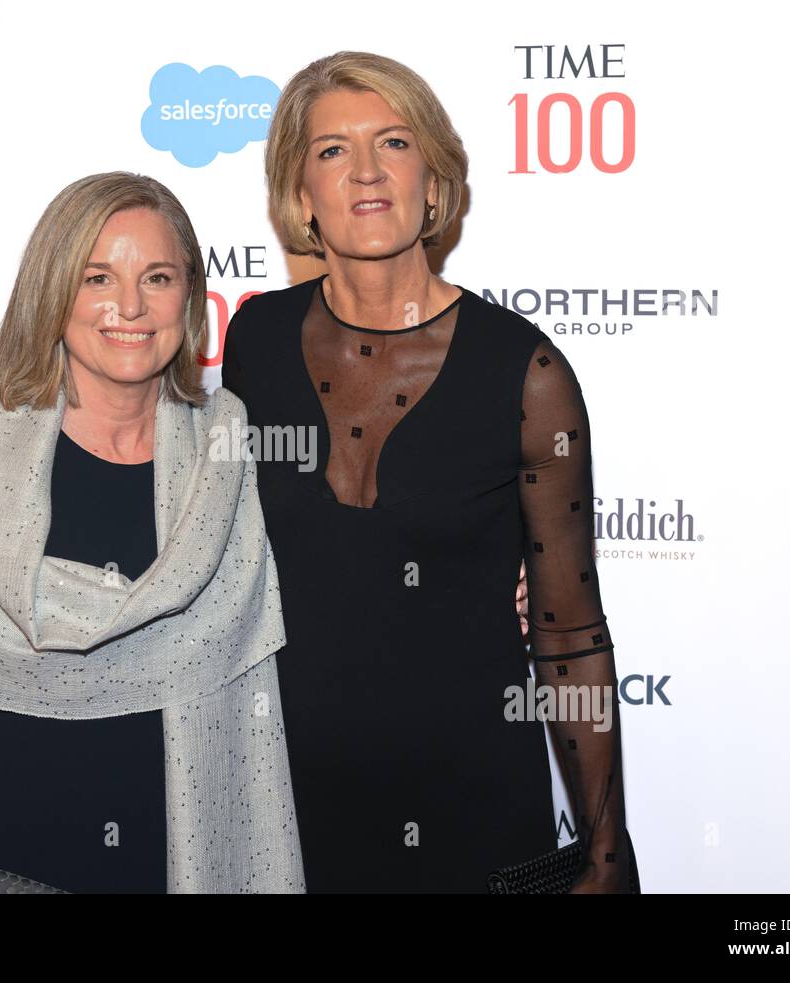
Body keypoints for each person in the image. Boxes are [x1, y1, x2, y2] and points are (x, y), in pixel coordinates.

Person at [221, 51, 639, 892]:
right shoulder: (253, 342)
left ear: (435, 183)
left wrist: (604, 850)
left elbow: (569, 634)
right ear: (300, 196)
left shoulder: (527, 372)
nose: (367, 172)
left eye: (395, 142)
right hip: (289, 806)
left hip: (474, 806)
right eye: (333, 150)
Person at [0, 172, 302, 894]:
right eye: (99, 276)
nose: (129, 306)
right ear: (53, 292)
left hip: (191, 871)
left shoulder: (234, 461)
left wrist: (510, 578)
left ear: (189, 298)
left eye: (157, 277)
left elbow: (358, 557)